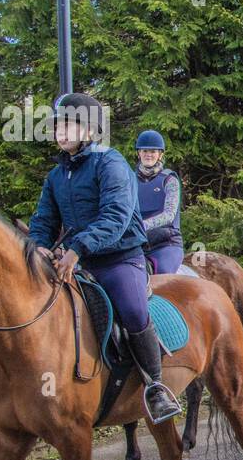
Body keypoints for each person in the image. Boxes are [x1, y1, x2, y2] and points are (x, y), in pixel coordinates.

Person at [27, 93, 181, 422]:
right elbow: (43, 220)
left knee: (132, 307)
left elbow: (116, 215)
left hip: (120, 258)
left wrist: (77, 248)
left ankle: (155, 387)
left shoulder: (110, 162)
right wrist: (38, 245)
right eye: (57, 125)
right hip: (81, 261)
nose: (60, 131)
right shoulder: (56, 176)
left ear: (90, 129)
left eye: (68, 124)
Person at [133, 130, 184, 275]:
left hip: (166, 244)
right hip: (137, 245)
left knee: (163, 276)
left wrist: (141, 225)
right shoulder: (129, 179)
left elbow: (169, 214)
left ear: (160, 154)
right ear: (139, 153)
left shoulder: (169, 180)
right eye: (145, 151)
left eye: (153, 151)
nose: (148, 154)